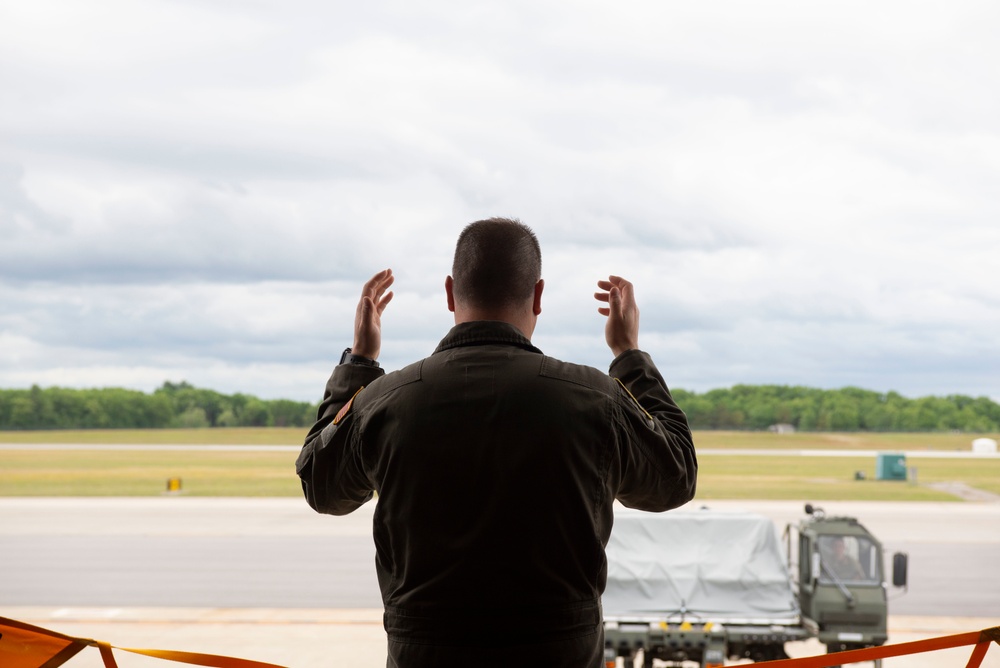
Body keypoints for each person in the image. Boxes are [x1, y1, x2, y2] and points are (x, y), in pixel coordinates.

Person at [296, 218, 697, 667]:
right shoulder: (594, 399)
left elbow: (321, 484)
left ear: (449, 293)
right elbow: (675, 477)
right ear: (538, 297)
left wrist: (360, 363)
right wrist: (628, 355)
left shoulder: (383, 401)